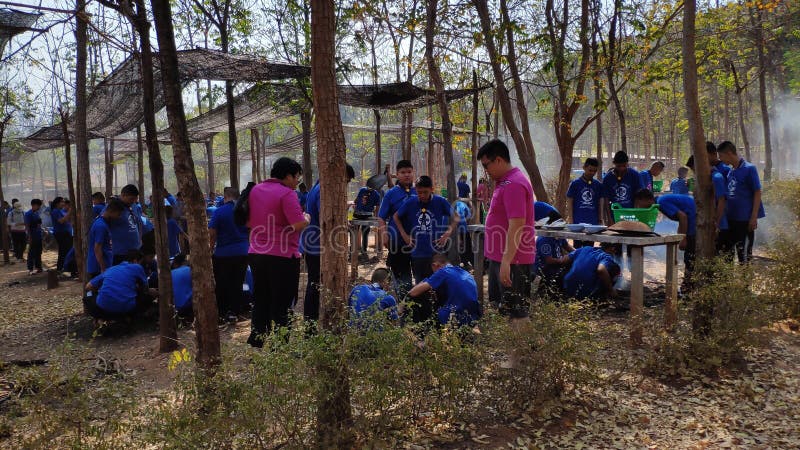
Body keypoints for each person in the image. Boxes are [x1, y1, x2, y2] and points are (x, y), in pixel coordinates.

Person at [247, 157, 309, 347]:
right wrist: (307, 217)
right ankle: (280, 345)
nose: (298, 181)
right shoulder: (287, 193)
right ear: (288, 175)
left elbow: (249, 221)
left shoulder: (256, 189)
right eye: (297, 176)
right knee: (282, 301)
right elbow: (298, 224)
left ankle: (257, 341)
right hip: (282, 256)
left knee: (261, 297)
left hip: (257, 253)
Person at [478, 139, 536, 319]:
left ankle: (524, 347)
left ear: (498, 160)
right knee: (504, 310)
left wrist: (506, 261)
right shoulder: (503, 182)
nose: (485, 171)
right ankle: (514, 346)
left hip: (513, 260)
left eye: (486, 165)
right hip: (501, 258)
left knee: (517, 313)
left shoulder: (514, 184)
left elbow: (517, 224)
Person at [300, 164, 356, 323]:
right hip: (318, 246)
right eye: (345, 181)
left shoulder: (317, 188)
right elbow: (327, 218)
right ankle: (311, 323)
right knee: (315, 284)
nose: (344, 185)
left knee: (316, 284)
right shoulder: (323, 191)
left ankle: (312, 321)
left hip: (316, 244)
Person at [393, 175, 459, 285]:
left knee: (438, 283)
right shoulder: (411, 202)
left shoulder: (440, 201)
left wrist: (447, 233)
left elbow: (456, 217)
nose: (422, 195)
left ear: (431, 190)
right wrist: (404, 235)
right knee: (420, 283)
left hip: (436, 252)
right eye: (419, 192)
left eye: (425, 192)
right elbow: (396, 216)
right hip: (417, 252)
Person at [634, 189, 696, 285]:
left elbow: (683, 217)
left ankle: (689, 286)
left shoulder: (661, 202)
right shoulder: (661, 201)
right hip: (693, 221)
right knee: (690, 257)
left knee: (690, 257)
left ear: (644, 200)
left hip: (694, 223)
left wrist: (683, 238)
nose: (638, 207)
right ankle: (690, 284)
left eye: (638, 204)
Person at [717, 140, 765, 263]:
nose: (721, 159)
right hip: (730, 220)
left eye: (721, 156)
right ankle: (731, 282)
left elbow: (757, 192)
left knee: (744, 255)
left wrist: (753, 217)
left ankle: (745, 281)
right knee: (728, 254)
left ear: (729, 153)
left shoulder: (749, 168)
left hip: (745, 221)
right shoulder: (731, 171)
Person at [209, 186, 250, 322]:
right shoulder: (244, 211)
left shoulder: (218, 212)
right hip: (243, 252)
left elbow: (213, 233)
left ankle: (221, 312)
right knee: (237, 282)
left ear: (226, 196)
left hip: (223, 254)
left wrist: (210, 249)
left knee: (222, 283)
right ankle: (234, 312)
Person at [407, 253, 482, 327]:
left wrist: (426, 280)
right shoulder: (463, 272)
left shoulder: (443, 271)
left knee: (418, 296)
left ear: (435, 265)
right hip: (472, 318)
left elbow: (412, 293)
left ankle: (420, 331)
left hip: (455, 317)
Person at [377, 160, 417, 297]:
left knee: (420, 277)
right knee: (403, 280)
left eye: (409, 172)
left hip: (418, 242)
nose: (407, 175)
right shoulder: (391, 194)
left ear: (413, 173)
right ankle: (404, 311)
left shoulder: (419, 191)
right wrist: (384, 234)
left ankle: (420, 311)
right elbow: (381, 217)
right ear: (397, 175)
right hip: (397, 242)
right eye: (403, 172)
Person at [83, 250, 156, 322]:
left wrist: (98, 292)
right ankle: (127, 317)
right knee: (148, 296)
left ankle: (101, 318)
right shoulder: (137, 267)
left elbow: (88, 287)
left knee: (88, 295)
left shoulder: (110, 269)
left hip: (103, 309)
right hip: (127, 308)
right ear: (135, 261)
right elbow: (145, 289)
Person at [87, 199, 124, 279]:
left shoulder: (104, 222)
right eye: (119, 214)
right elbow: (97, 248)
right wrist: (103, 268)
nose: (119, 216)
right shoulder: (101, 226)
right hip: (98, 267)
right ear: (111, 211)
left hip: (104, 264)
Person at [109, 185, 144, 265]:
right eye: (131, 199)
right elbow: (104, 222)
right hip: (120, 253)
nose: (133, 201)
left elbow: (138, 222)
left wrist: (140, 238)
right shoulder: (113, 206)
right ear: (123, 195)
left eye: (135, 199)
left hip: (135, 251)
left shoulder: (133, 205)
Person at [353, 183, 381, 256]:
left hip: (366, 215)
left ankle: (360, 251)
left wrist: (377, 216)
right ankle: (356, 251)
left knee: (364, 232)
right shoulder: (363, 190)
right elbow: (356, 200)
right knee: (357, 232)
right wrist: (354, 204)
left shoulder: (376, 194)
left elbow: (378, 206)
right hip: (359, 214)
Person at [51, 197, 74, 272]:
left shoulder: (60, 211)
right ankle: (61, 267)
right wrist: (70, 212)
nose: (63, 204)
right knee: (64, 251)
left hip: (66, 233)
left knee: (66, 250)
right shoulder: (55, 211)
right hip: (61, 233)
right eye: (62, 202)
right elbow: (61, 221)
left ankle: (64, 267)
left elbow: (67, 220)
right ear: (57, 203)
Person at [24, 199, 44, 275]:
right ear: (34, 205)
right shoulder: (28, 214)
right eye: (38, 205)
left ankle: (39, 267)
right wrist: (29, 237)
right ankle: (30, 269)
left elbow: (39, 224)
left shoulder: (36, 213)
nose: (39, 207)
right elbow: (27, 226)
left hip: (38, 235)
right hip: (32, 236)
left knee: (39, 252)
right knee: (32, 253)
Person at [454, 199, 473, 269]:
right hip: (461, 230)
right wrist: (458, 237)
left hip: (455, 230)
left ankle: (465, 264)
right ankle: (474, 265)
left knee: (462, 249)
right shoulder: (462, 206)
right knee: (468, 249)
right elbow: (462, 219)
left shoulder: (458, 205)